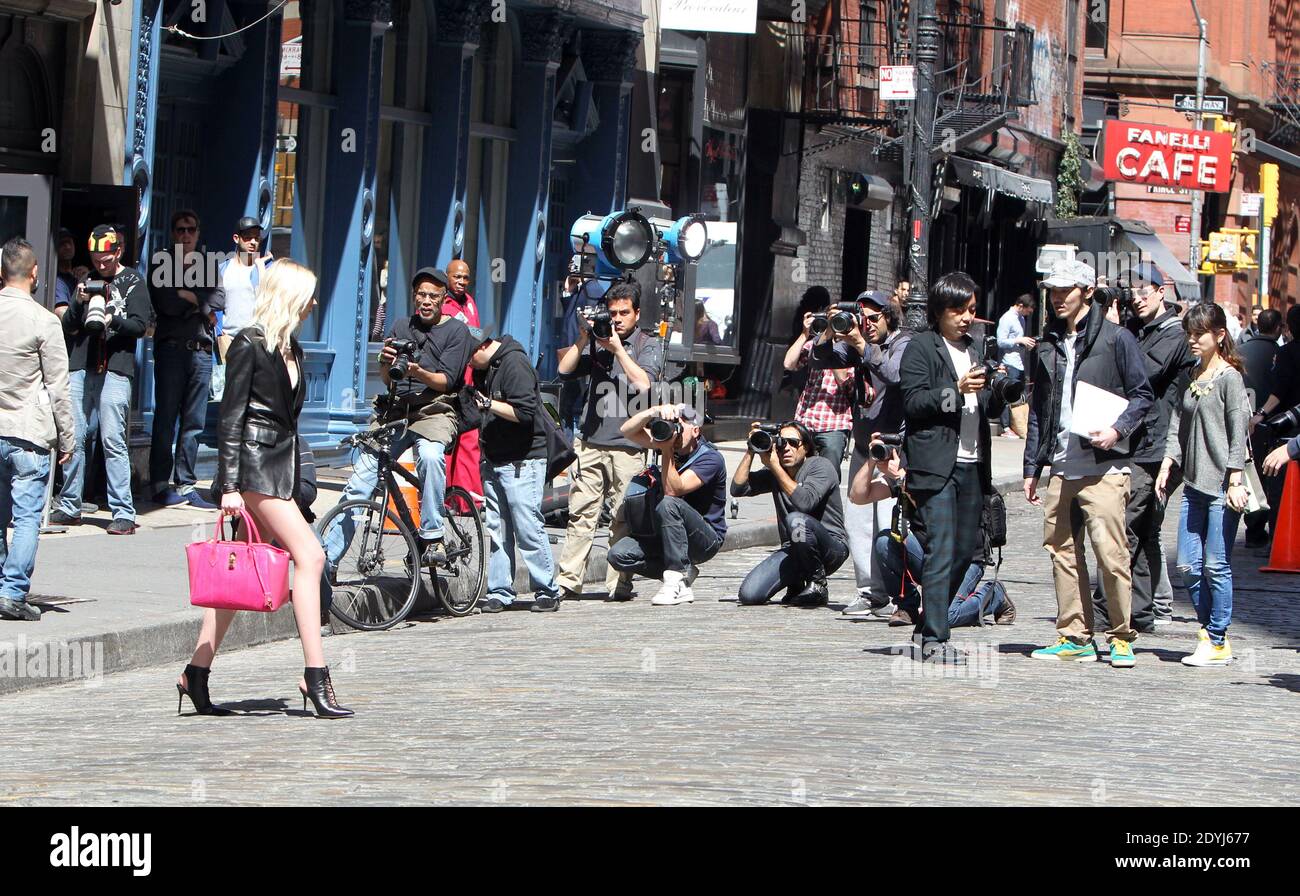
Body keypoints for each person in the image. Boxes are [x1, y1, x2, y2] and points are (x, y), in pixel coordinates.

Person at [180, 259, 353, 718]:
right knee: (311, 556)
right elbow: (231, 418)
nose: (316, 303)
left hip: (282, 468)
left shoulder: (291, 346)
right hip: (254, 468)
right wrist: (230, 486)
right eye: (310, 294)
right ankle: (315, 674)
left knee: (237, 579)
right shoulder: (248, 343)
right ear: (291, 295)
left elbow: (289, 421)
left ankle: (195, 672)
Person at [1024, 260, 1153, 668]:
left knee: (1110, 554)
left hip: (1104, 466)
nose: (1057, 298)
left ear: (1086, 291)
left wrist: (1117, 430)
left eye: (1065, 290)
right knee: (1061, 550)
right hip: (1062, 465)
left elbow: (1142, 395)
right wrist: (1032, 466)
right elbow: (1039, 410)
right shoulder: (1047, 343)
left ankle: (1120, 635)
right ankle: (1075, 634)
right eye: (1052, 291)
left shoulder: (1117, 339)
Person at [324, 268, 474, 569]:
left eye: (433, 295)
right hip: (395, 411)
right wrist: (385, 362)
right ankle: (326, 559)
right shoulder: (401, 325)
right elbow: (387, 379)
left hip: (434, 410)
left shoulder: (457, 331)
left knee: (430, 457)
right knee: (359, 483)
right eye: (421, 295)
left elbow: (446, 381)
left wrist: (416, 371)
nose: (426, 301)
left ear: (443, 298)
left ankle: (432, 534)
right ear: (414, 296)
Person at [897, 272, 1008, 663]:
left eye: (972, 311)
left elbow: (990, 409)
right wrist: (954, 392)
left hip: (973, 462)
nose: (965, 318)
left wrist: (999, 388)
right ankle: (935, 639)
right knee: (941, 547)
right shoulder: (921, 348)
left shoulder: (975, 348)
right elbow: (912, 403)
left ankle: (930, 619)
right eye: (958, 310)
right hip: (936, 464)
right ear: (940, 311)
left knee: (966, 550)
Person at [1090, 263, 1194, 633]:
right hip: (1138, 441)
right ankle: (1142, 611)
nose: (1136, 298)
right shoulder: (1137, 329)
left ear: (1161, 291)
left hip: (1154, 447)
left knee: (1121, 526)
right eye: (1131, 293)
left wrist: (1117, 331)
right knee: (1146, 529)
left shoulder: (1173, 334)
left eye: (1143, 291)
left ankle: (1107, 612)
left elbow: (1140, 374)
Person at [1156, 303, 1250, 667]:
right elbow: (1179, 423)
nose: (1192, 340)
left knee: (1215, 563)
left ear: (1219, 335)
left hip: (1222, 486)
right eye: (1189, 334)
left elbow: (1238, 429)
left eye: (1199, 334)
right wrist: (1168, 462)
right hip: (1194, 484)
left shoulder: (1229, 378)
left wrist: (1235, 477)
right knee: (1188, 566)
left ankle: (1216, 637)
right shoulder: (1191, 375)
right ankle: (1209, 630)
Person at [555, 281, 661, 602]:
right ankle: (568, 581)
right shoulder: (598, 340)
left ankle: (619, 584)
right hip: (590, 442)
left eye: (624, 313)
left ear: (637, 313)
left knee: (622, 518)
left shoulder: (647, 344)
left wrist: (617, 350)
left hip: (629, 446)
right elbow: (564, 369)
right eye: (612, 312)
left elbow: (644, 385)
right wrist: (584, 338)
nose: (616, 319)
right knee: (580, 513)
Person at [50, 225, 151, 534]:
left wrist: (113, 319)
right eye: (95, 258)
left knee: (112, 439)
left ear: (117, 251)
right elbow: (68, 325)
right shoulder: (85, 280)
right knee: (75, 437)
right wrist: (80, 301)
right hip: (81, 365)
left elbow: (141, 325)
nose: (100, 264)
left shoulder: (132, 280)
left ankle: (123, 511)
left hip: (116, 368)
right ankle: (70, 505)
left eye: (105, 258)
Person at [0, 238, 75, 621]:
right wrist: (68, 437)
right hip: (28, 432)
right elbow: (58, 387)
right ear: (33, 273)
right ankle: (11, 592)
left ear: (1, 272)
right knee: (28, 517)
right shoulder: (45, 321)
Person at [469, 329, 562, 613]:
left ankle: (547, 589)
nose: (468, 366)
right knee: (498, 528)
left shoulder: (514, 363)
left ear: (483, 346)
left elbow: (524, 412)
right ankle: (500, 591)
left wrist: (488, 404)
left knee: (527, 526)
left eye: (469, 358)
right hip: (495, 458)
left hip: (523, 460)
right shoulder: (487, 368)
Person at [609, 403, 728, 606]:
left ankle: (675, 578)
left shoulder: (710, 458)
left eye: (682, 424)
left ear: (696, 430)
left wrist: (665, 450)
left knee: (669, 503)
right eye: (673, 423)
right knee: (618, 555)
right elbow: (626, 431)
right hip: (668, 534)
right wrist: (653, 412)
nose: (676, 429)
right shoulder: (666, 443)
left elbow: (674, 490)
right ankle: (684, 574)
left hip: (704, 539)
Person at [838, 290, 911, 618]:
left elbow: (894, 374)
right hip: (864, 446)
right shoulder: (856, 345)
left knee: (889, 524)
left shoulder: (902, 344)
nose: (866, 325)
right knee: (858, 522)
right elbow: (823, 358)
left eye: (874, 318)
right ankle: (870, 593)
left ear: (889, 317)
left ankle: (899, 594)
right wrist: (829, 330)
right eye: (861, 319)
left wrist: (862, 345)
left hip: (892, 449)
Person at [731, 420, 848, 607]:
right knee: (750, 595)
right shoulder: (777, 472)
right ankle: (796, 583)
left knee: (796, 521)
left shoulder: (820, 466)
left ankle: (818, 584)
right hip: (793, 548)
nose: (786, 448)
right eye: (781, 442)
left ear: (806, 446)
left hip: (830, 548)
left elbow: (804, 503)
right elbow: (738, 488)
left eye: (793, 443)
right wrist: (752, 448)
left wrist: (775, 467)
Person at [149, 209, 218, 510]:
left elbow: (218, 300)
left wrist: (191, 298)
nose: (186, 235)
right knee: (166, 419)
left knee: (194, 423)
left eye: (191, 229)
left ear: (198, 233)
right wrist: (198, 303)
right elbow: (166, 303)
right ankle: (160, 483)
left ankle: (187, 482)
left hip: (201, 352)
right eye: (180, 230)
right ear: (173, 233)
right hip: (172, 350)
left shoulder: (207, 263)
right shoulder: (160, 262)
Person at [783, 298, 856, 469]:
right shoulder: (814, 344)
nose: (833, 325)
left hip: (833, 424)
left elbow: (846, 383)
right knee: (797, 472)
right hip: (805, 419)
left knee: (827, 474)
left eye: (837, 320)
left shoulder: (851, 348)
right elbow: (788, 364)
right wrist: (804, 334)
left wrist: (833, 347)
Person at [1248, 304, 1300, 540]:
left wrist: (1261, 413)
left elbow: (1279, 390)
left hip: (1287, 428)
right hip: (1292, 422)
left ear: (1289, 327)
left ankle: (1279, 536)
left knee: (1279, 485)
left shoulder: (1287, 353)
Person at [1238, 309, 1282, 547]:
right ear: (1278, 328)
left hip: (1246, 422)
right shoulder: (1280, 353)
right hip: (1273, 423)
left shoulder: (1241, 351)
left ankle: (1253, 528)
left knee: (1249, 475)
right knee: (1271, 479)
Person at [441, 258, 484, 501]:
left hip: (469, 380)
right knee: (446, 440)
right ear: (447, 276)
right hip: (448, 379)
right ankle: (442, 496)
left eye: (466, 277)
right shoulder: (440, 302)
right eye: (457, 276)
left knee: (469, 437)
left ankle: (467, 498)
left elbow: (474, 334)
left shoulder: (470, 302)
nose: (461, 282)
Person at [212, 216, 270, 362]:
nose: (253, 242)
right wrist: (219, 332)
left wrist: (262, 270)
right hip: (227, 342)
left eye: (256, 238)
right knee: (222, 384)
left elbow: (270, 302)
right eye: (248, 238)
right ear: (236, 238)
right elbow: (213, 305)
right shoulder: (222, 270)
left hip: (257, 343)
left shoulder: (267, 269)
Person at [995, 293, 1036, 438]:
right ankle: (1005, 427)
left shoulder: (1021, 319)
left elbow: (1017, 340)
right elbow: (1000, 341)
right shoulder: (1007, 318)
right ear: (1020, 306)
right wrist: (1019, 340)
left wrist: (1024, 343)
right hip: (1008, 362)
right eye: (1027, 310)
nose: (1028, 314)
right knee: (1008, 394)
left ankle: (1014, 425)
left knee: (1018, 395)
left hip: (1018, 362)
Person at [52, 227, 78, 318]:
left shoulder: (77, 276)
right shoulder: (56, 280)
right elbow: (61, 312)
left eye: (69, 242)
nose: (67, 247)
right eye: (62, 244)